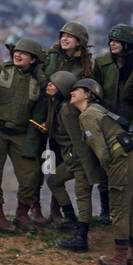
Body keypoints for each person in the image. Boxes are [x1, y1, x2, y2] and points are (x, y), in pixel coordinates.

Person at [72, 77, 133, 265]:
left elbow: (102, 152)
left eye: (78, 89)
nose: (72, 92)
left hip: (122, 160)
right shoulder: (101, 111)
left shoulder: (88, 115)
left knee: (119, 210)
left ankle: (120, 258)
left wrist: (109, 174)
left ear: (89, 95)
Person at [0, 37, 47, 233]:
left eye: (24, 53)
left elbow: (40, 111)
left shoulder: (39, 82)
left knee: (31, 176)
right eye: (17, 51)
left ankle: (22, 214)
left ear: (33, 59)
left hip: (22, 133)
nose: (18, 55)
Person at [42, 22, 97, 222]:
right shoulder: (52, 57)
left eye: (70, 36)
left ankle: (68, 216)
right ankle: (50, 209)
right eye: (62, 35)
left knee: (68, 166)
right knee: (50, 165)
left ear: (79, 42)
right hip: (50, 115)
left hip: (70, 118)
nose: (64, 39)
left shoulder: (86, 65)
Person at [43, 70, 102, 252]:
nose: (49, 86)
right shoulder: (57, 105)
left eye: (53, 84)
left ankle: (81, 236)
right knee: (53, 180)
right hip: (72, 158)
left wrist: (87, 167)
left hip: (78, 158)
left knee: (82, 196)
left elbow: (78, 139)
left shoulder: (66, 110)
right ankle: (70, 218)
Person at [93, 24, 133, 121]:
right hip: (106, 112)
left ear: (128, 44)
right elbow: (95, 90)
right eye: (111, 40)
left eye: (117, 41)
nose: (112, 44)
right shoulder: (101, 63)